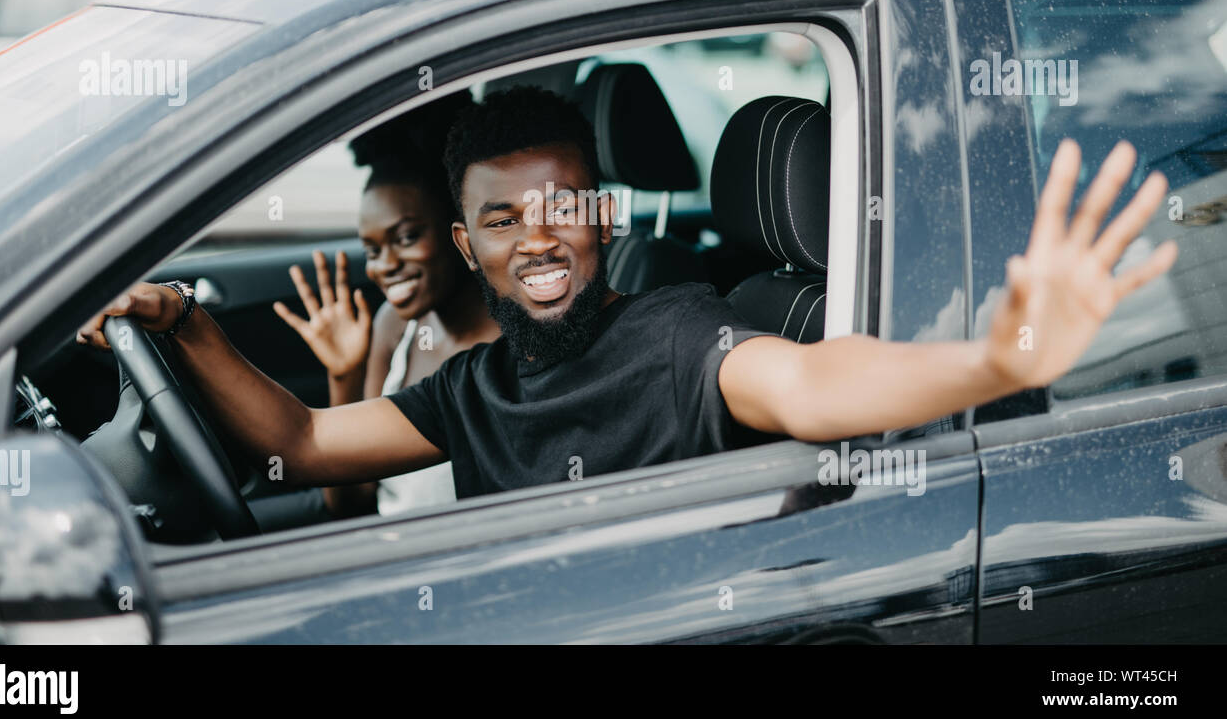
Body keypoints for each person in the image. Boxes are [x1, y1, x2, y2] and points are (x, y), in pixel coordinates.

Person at [78, 86, 1179, 505]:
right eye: (503, 220)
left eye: (563, 207)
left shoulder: (674, 332)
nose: (538, 237)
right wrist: (187, 323)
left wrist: (1002, 359)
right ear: (469, 241)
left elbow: (809, 381)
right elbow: (309, 442)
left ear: (601, 216)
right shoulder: (477, 385)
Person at [272, 135, 499, 517]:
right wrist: (344, 375)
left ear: (458, 234)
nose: (385, 265)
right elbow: (350, 499)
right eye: (373, 250)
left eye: (407, 237)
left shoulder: (509, 346)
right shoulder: (394, 327)